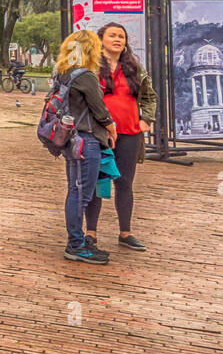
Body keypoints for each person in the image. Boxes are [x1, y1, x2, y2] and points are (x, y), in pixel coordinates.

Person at [85, 22, 157, 253]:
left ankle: (125, 233)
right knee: (96, 182)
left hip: (129, 133)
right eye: (112, 35)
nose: (118, 40)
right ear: (101, 40)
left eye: (122, 37)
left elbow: (149, 96)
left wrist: (146, 120)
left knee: (124, 183)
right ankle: (90, 233)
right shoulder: (90, 66)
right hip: (99, 134)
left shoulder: (134, 67)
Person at [54, 29, 118, 264]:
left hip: (71, 140)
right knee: (81, 194)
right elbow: (99, 109)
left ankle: (77, 241)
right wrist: (111, 126)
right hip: (86, 140)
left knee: (76, 190)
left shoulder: (64, 73)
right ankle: (76, 245)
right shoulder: (86, 76)